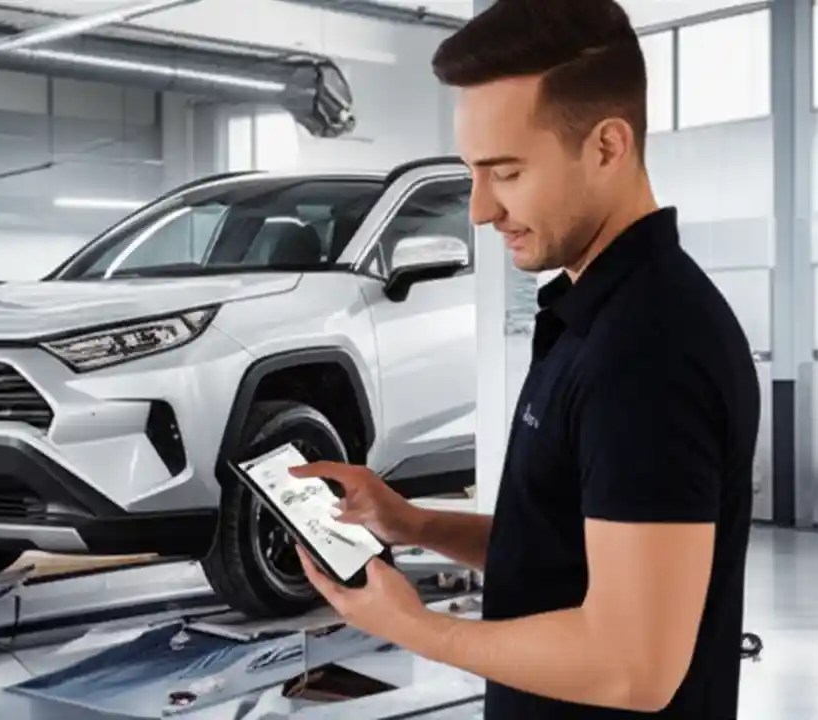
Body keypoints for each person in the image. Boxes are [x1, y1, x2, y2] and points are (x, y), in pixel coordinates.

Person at [289, 0, 761, 717]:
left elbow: (634, 668)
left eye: (505, 173)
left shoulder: (648, 350)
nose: (479, 209)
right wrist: (412, 525)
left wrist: (416, 627)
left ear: (607, 146)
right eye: (474, 172)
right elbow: (564, 552)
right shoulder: (588, 314)